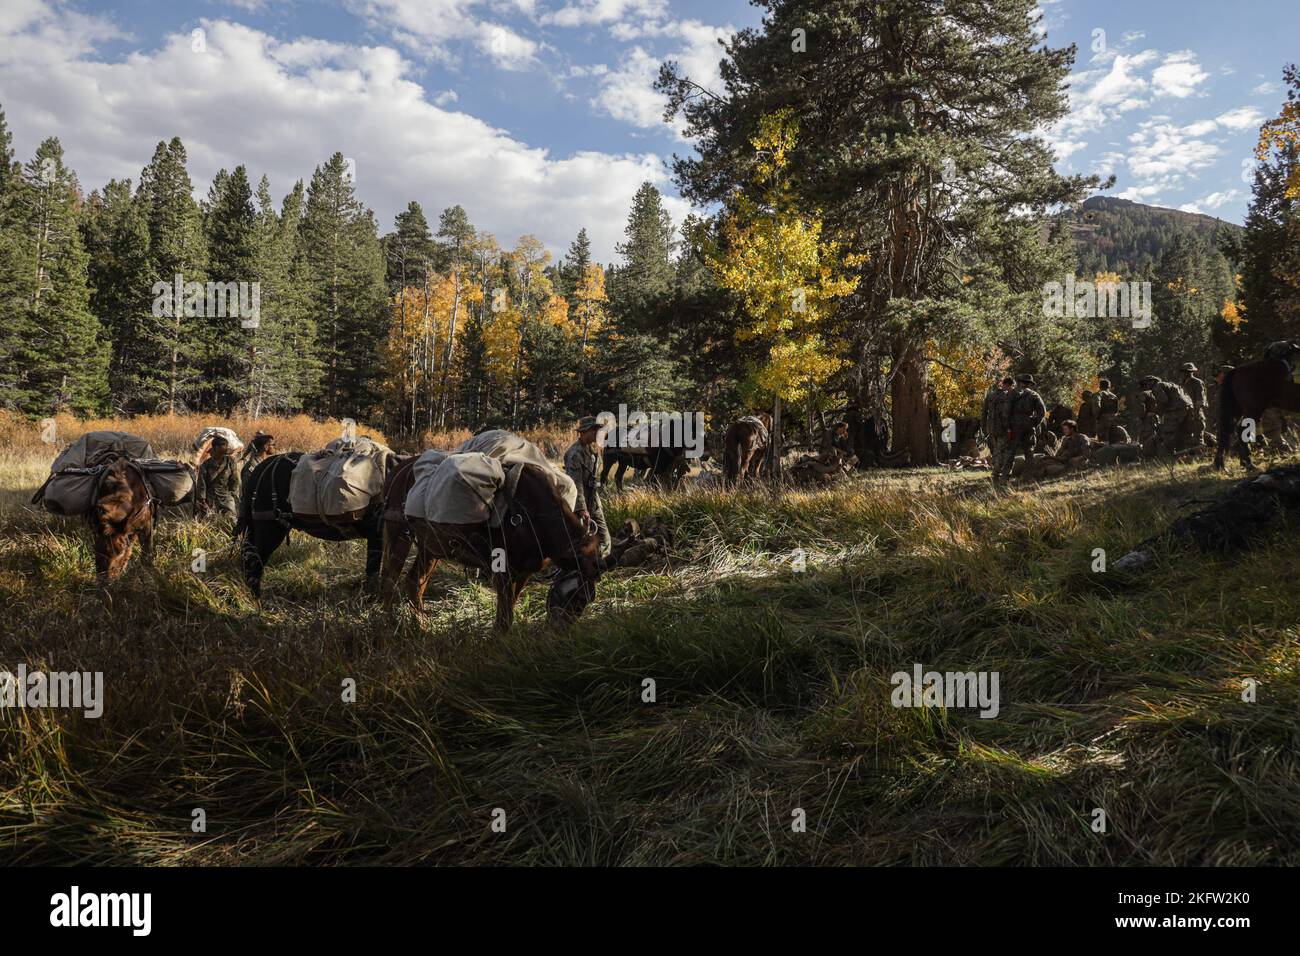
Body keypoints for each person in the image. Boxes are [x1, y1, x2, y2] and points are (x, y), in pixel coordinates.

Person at [564, 416, 611, 558]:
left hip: (593, 500)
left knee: (604, 539)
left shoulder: (593, 449)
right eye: (595, 430)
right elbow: (575, 484)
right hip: (579, 504)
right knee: (579, 542)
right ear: (585, 431)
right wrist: (582, 509)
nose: (598, 433)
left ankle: (597, 565)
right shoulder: (574, 454)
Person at [995, 374, 1046, 481]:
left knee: (1011, 451)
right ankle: (1028, 476)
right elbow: (1042, 412)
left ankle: (1005, 477)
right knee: (1029, 451)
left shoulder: (1012, 394)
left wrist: (1008, 426)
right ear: (1029, 384)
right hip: (1028, 426)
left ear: (1020, 382)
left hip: (1015, 427)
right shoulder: (1034, 395)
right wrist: (1034, 423)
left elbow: (1006, 412)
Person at [1139, 375, 1194, 456]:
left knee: (1168, 433)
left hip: (1176, 409)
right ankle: (1185, 454)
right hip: (1188, 407)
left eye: (1146, 383)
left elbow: (1163, 401)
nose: (1146, 386)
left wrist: (1157, 413)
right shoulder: (1169, 384)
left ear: (1152, 381)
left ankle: (1168, 456)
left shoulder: (1157, 386)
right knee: (1184, 432)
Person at [196, 434, 241, 519]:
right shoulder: (206, 465)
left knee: (232, 519)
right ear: (216, 447)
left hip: (226, 497)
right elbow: (201, 484)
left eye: (226, 445)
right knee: (210, 520)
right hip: (211, 498)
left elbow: (234, 480)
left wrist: (233, 495)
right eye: (224, 445)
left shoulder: (230, 462)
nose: (226, 448)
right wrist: (202, 500)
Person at [984, 376, 1015, 476]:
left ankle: (996, 468)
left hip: (991, 426)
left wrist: (984, 426)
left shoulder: (990, 395)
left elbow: (984, 412)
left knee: (995, 447)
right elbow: (1006, 414)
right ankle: (998, 469)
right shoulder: (1007, 396)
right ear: (1010, 385)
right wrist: (1009, 427)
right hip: (1002, 427)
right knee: (1003, 448)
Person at [1179, 363, 1209, 445]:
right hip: (1184, 413)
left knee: (1198, 435)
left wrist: (1196, 411)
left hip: (1196, 412)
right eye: (1184, 371)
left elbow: (1200, 399)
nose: (1185, 373)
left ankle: (1199, 453)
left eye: (1187, 371)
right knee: (1186, 436)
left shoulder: (1197, 382)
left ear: (1191, 372)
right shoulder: (1181, 384)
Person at [1093, 379, 1121, 443]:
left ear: (1100, 386)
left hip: (1103, 420)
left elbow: (1097, 406)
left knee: (1103, 442)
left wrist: (1097, 417)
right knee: (1113, 441)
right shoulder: (1114, 396)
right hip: (1113, 420)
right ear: (1109, 386)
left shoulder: (1098, 394)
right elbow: (1116, 410)